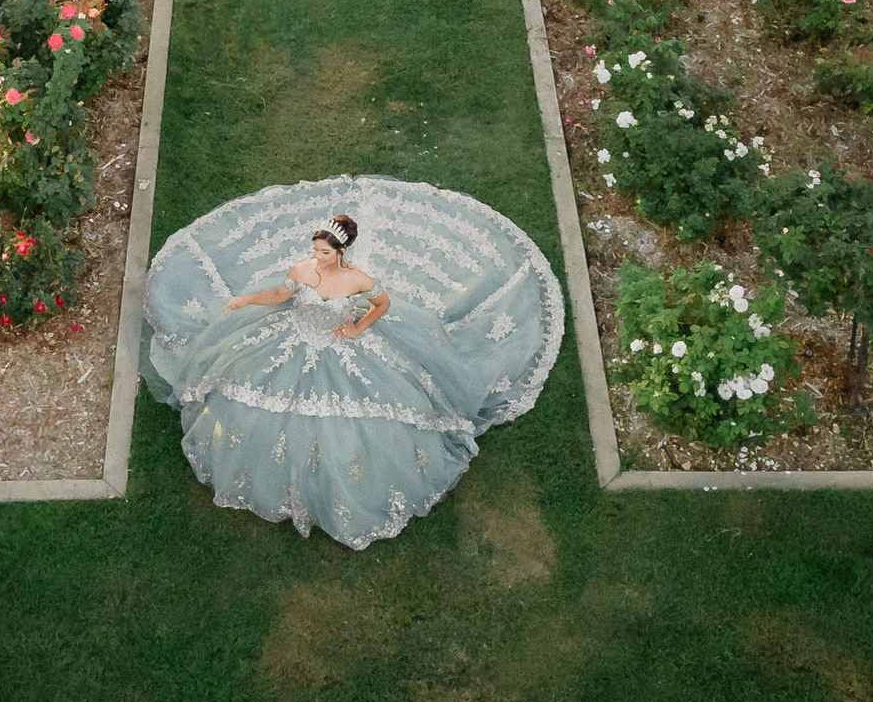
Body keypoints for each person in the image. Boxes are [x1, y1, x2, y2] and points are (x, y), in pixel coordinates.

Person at [143, 175, 564, 550]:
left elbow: (382, 304)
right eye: (314, 249)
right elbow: (279, 295)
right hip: (292, 340)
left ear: (341, 252)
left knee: (375, 411)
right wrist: (244, 299)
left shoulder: (357, 279)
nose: (317, 256)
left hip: (344, 346)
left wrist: (358, 328)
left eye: (324, 251)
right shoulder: (303, 269)